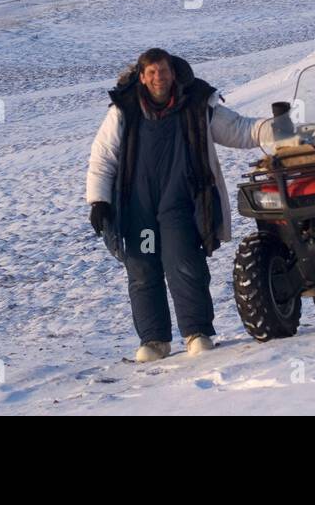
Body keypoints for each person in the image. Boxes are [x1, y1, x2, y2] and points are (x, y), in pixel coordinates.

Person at [85, 48, 266, 361]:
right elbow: (103, 157)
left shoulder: (196, 103)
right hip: (138, 208)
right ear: (141, 77)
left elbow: (238, 129)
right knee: (143, 267)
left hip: (179, 204)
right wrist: (98, 201)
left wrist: (272, 127)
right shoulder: (124, 109)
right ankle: (154, 341)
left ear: (174, 72)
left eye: (164, 71)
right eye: (152, 73)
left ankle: (197, 333)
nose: (159, 78)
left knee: (183, 262)